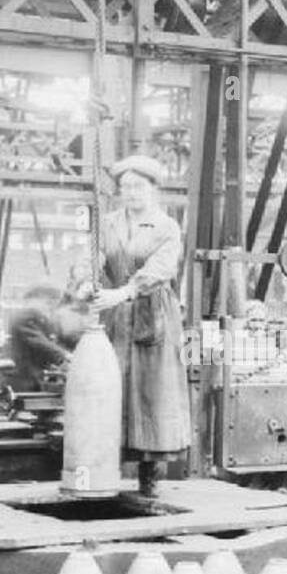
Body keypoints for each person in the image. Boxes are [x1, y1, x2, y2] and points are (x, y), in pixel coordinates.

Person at [82, 154, 191, 497]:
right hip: (115, 319)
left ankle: (150, 479)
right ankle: (104, 474)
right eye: (126, 187)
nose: (131, 193)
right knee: (109, 390)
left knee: (152, 395)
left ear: (154, 190)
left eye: (138, 186)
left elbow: (161, 270)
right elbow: (91, 258)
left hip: (152, 318)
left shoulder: (166, 227)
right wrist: (86, 281)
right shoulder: (109, 222)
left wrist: (124, 292)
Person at [7, 283, 85, 391]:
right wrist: (65, 356)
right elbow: (40, 343)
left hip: (34, 380)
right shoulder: (26, 317)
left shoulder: (40, 319)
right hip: (26, 382)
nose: (50, 307)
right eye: (48, 302)